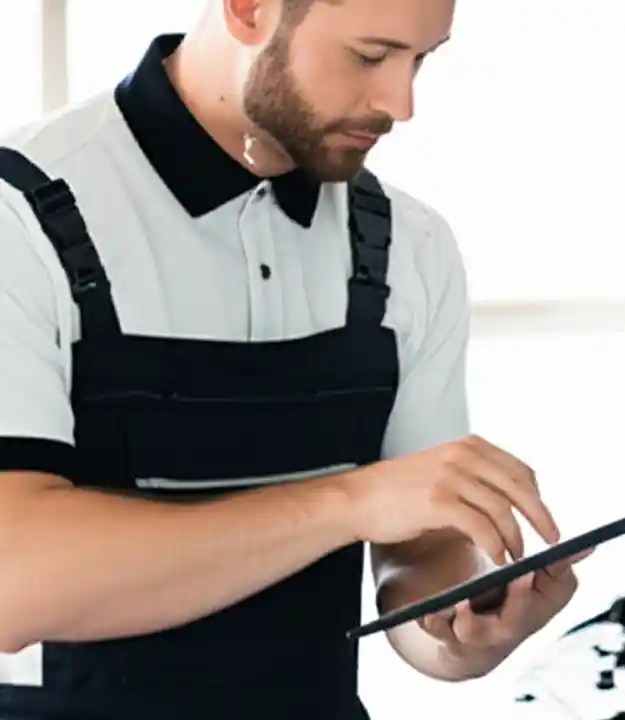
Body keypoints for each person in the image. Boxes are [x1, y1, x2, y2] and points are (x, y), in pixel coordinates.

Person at [0, 0, 582, 717]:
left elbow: (418, 549)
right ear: (247, 9)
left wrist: (458, 636)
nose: (401, 104)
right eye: (370, 56)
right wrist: (350, 502)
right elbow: (11, 581)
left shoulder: (410, 244)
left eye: (422, 59)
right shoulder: (17, 216)